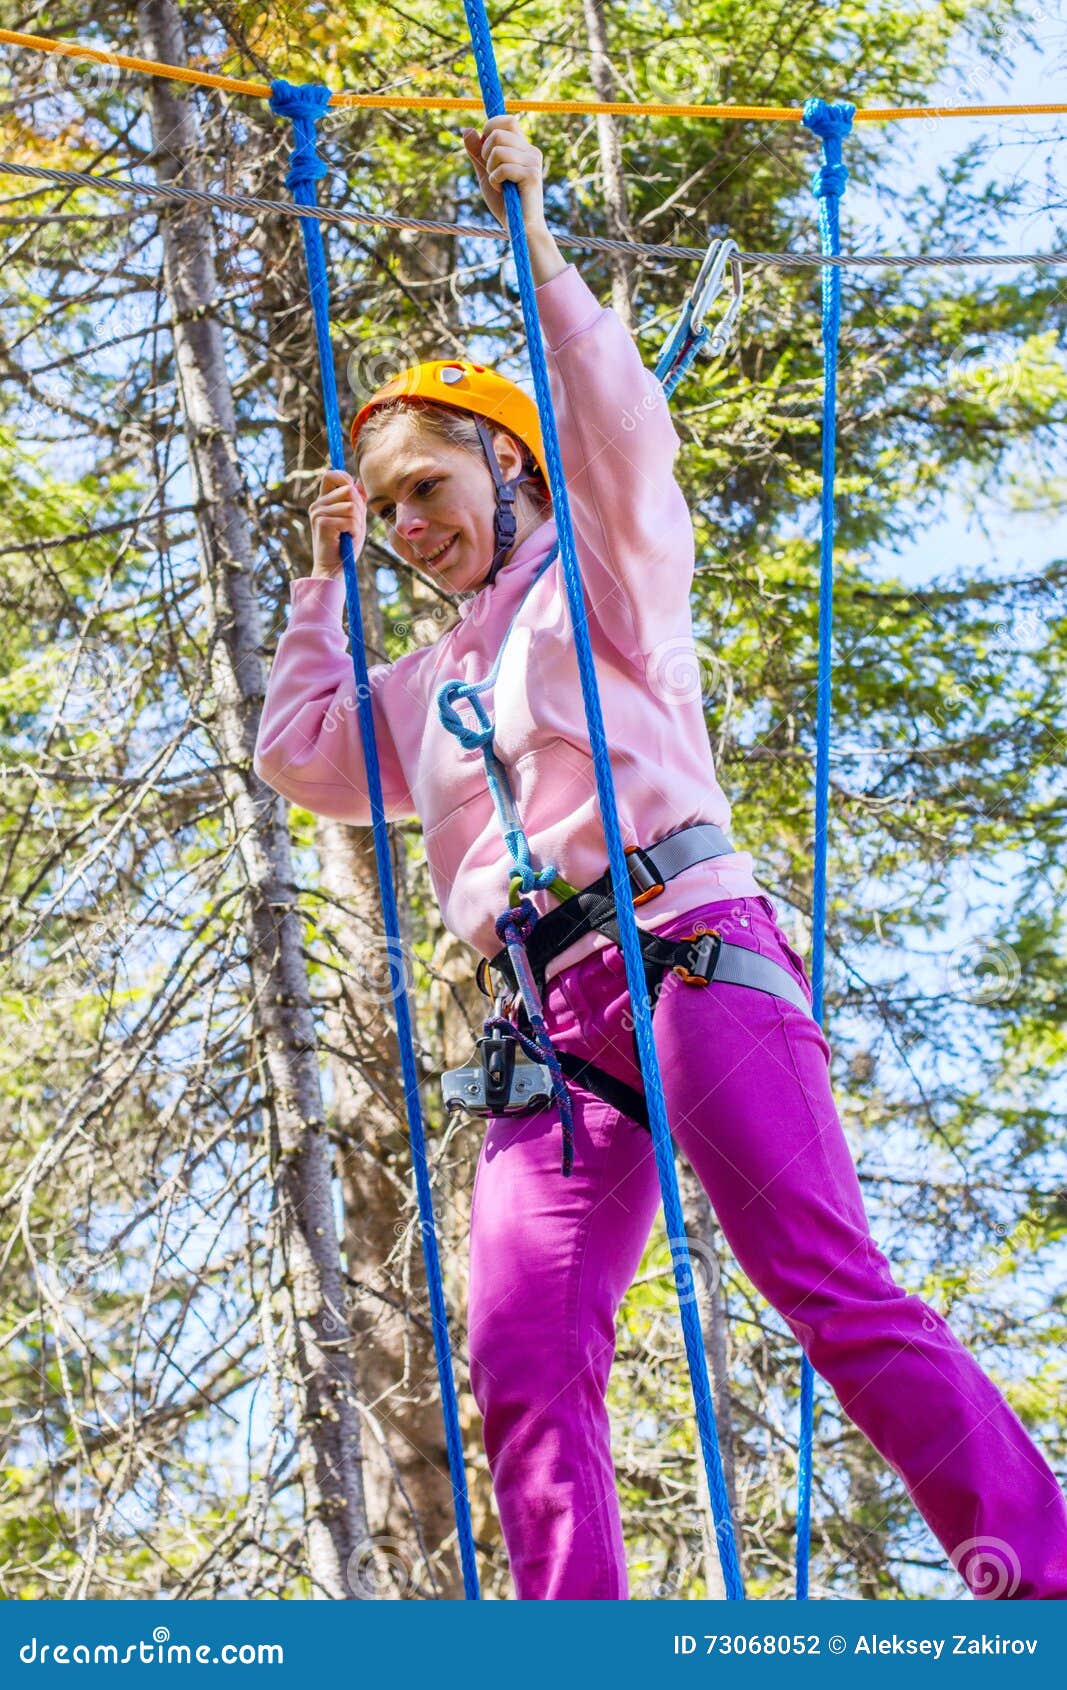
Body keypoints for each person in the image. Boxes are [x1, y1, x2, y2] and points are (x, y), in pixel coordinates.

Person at [253, 116, 1067, 1602]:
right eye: (389, 516)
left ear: (502, 463)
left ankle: (1047, 1569)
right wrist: (321, 581)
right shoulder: (423, 690)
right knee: (519, 1351)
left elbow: (621, 437)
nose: (413, 530)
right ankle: (579, 1640)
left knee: (824, 1281)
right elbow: (303, 754)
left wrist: (540, 247)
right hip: (545, 1031)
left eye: (429, 487)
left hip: (686, 950)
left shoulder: (603, 573)